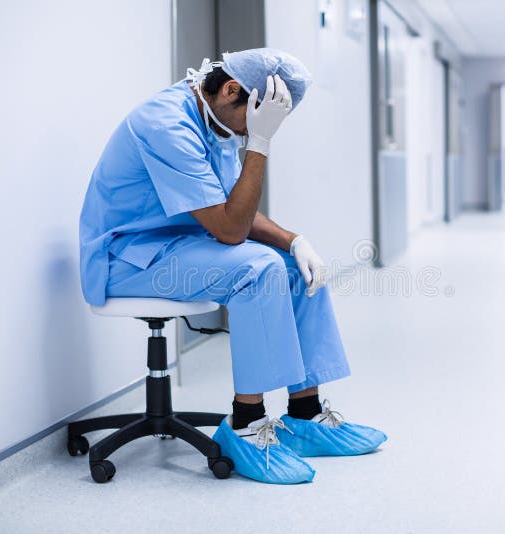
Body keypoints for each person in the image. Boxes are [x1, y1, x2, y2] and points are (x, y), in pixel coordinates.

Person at [79, 48, 386, 484]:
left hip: (180, 244)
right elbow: (230, 228)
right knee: (258, 268)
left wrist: (294, 240)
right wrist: (260, 145)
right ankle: (246, 424)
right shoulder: (166, 125)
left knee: (290, 265)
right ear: (230, 90)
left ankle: (304, 415)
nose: (248, 133)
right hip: (126, 258)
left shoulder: (215, 119)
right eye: (253, 121)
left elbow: (229, 208)